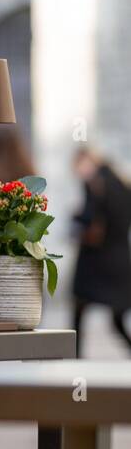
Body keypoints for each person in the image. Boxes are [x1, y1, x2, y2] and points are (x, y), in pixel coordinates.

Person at [72, 148, 131, 355]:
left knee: (79, 309)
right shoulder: (122, 184)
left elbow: (93, 225)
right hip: (121, 260)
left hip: (96, 262)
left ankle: (75, 358)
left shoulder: (96, 184)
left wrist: (76, 219)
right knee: (117, 318)